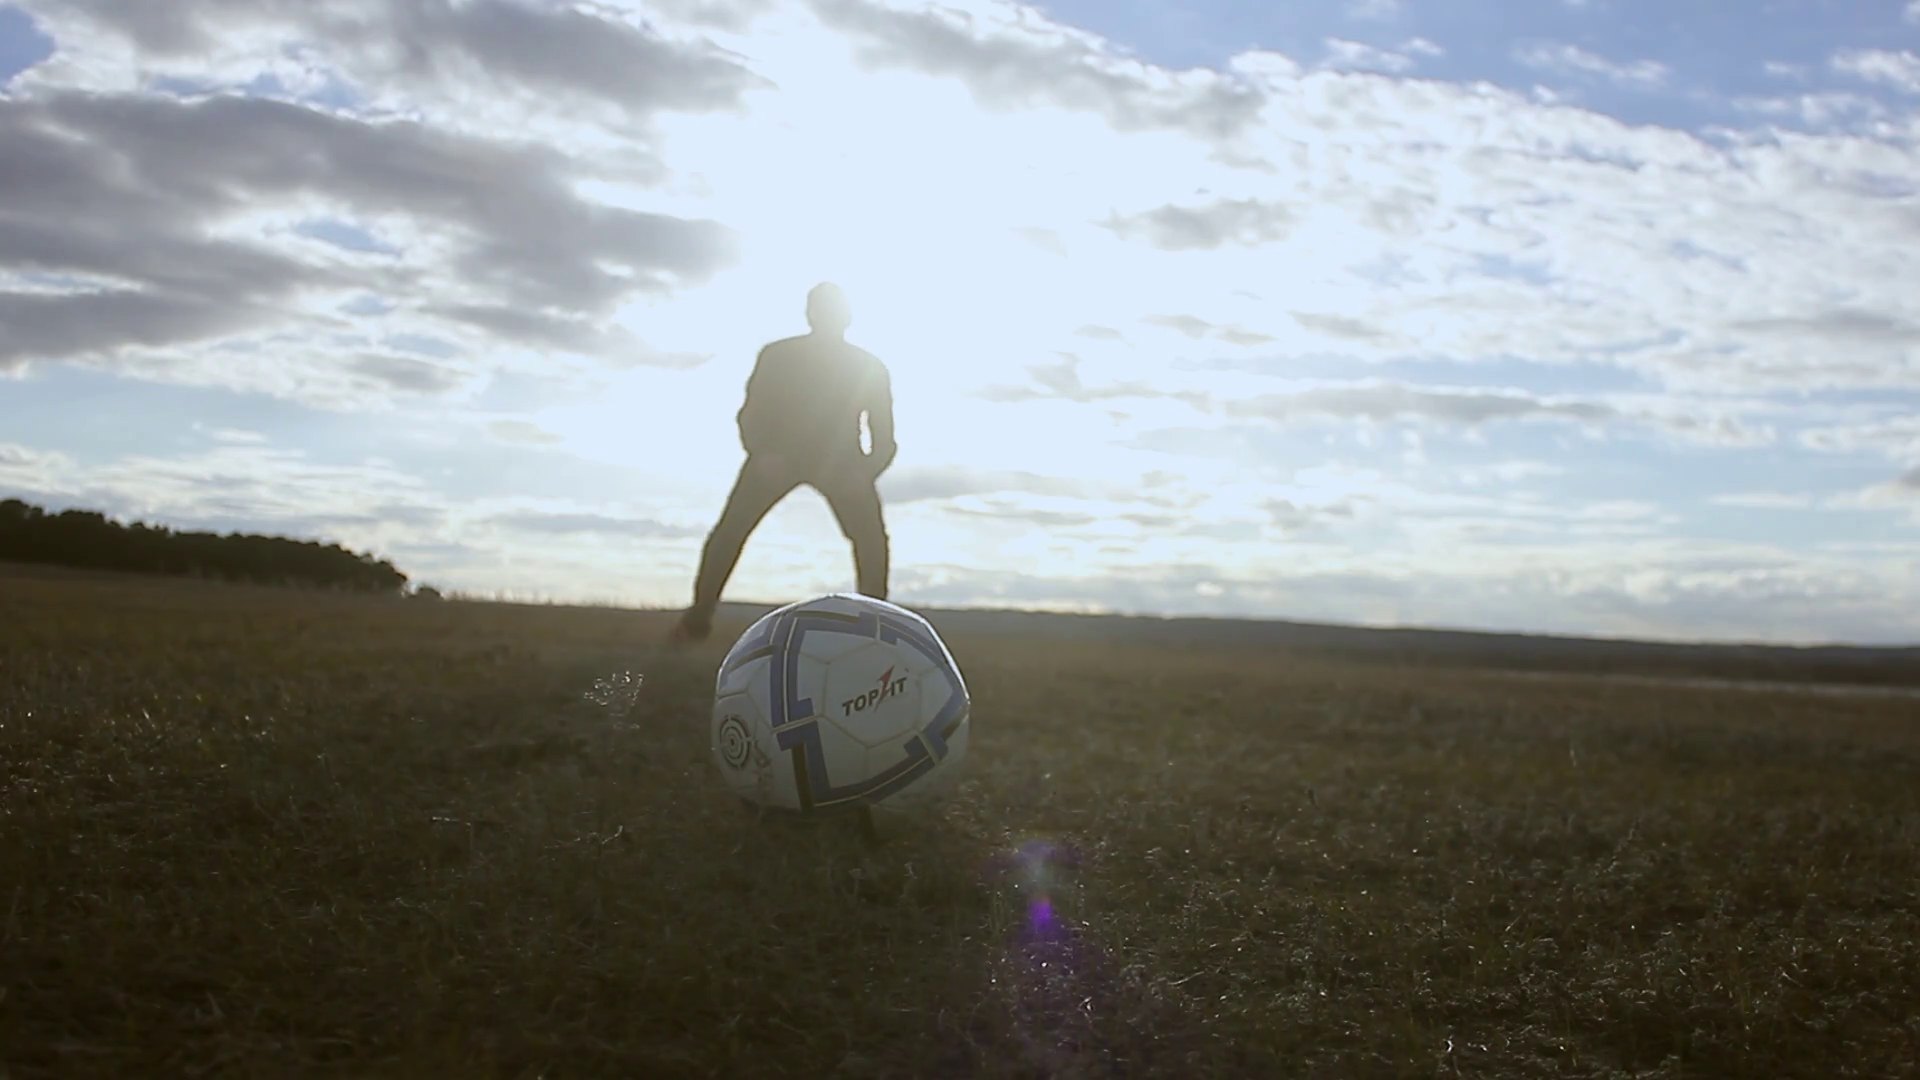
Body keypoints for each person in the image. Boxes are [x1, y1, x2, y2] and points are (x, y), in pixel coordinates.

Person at [670, 282, 897, 645]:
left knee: (871, 539)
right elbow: (751, 412)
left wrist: (864, 472)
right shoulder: (777, 355)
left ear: (847, 318)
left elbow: (884, 435)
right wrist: (762, 454)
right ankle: (698, 620)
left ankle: (876, 630)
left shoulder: (868, 365)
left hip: (841, 463)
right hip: (778, 455)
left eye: (833, 311)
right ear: (809, 314)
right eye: (820, 309)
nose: (826, 317)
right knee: (730, 532)